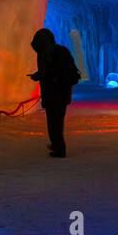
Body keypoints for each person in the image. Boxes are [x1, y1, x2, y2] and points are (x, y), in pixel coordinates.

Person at [28, 28, 81, 157]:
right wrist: (39, 75)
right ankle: (56, 144)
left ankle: (59, 148)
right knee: (54, 121)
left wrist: (46, 77)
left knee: (55, 121)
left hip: (57, 93)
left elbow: (56, 72)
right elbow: (47, 72)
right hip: (55, 93)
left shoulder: (54, 54)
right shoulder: (53, 53)